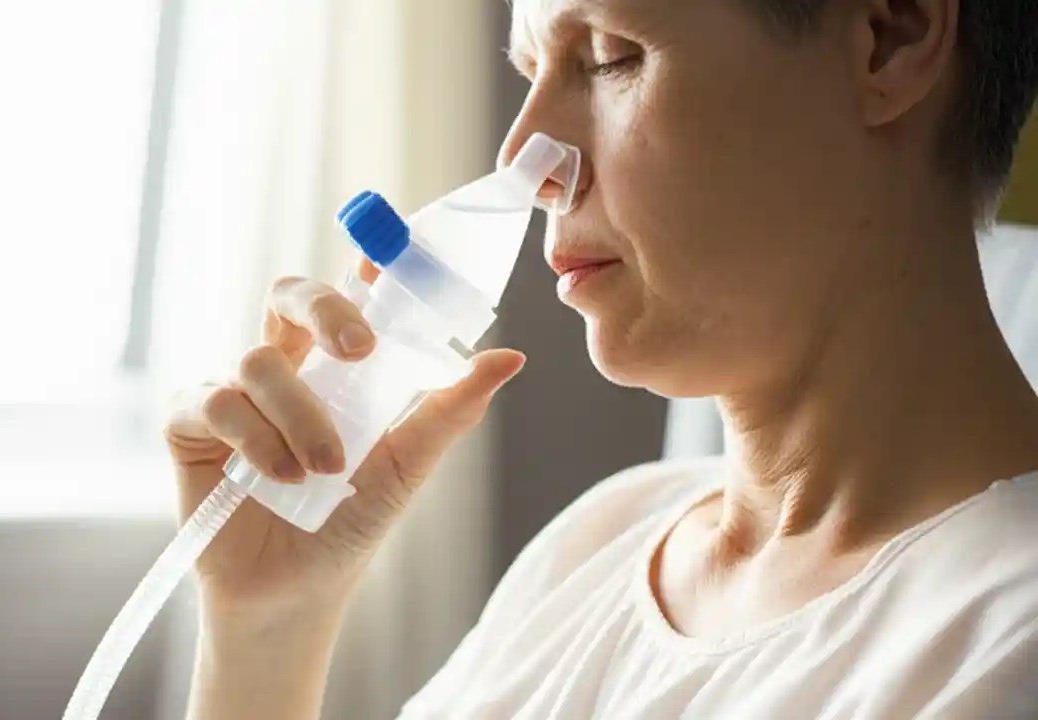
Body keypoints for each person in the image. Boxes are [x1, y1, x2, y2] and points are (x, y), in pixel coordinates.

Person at [165, 0, 1038, 716]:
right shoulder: (604, 540)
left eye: (612, 57)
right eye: (530, 73)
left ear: (891, 38)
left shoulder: (1001, 639)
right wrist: (265, 633)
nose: (526, 160)